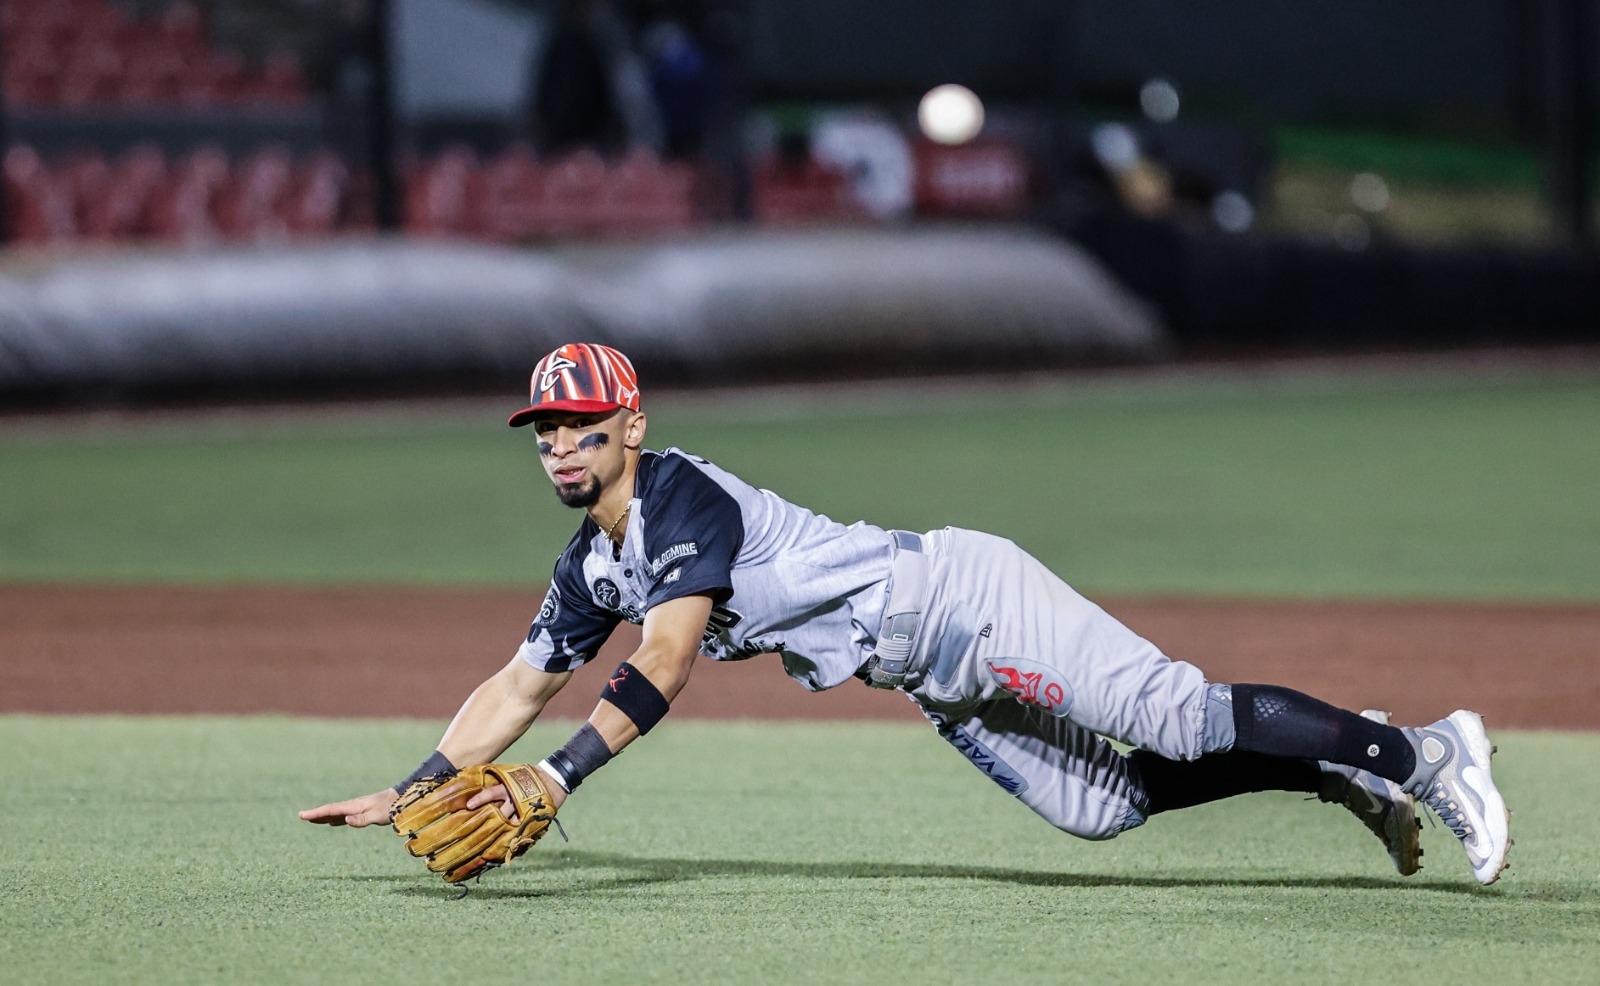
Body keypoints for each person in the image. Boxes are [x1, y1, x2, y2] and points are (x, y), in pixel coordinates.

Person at [300, 342, 1512, 886]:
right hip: (930, 674)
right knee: (1103, 805)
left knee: (1177, 716)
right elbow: (520, 681)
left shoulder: (676, 493)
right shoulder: (591, 564)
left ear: (631, 423)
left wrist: (558, 777)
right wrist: (413, 785)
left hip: (964, 600)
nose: (561, 445)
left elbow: (665, 660)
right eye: (544, 431)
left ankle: (1426, 750)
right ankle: (1332, 768)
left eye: (580, 424)